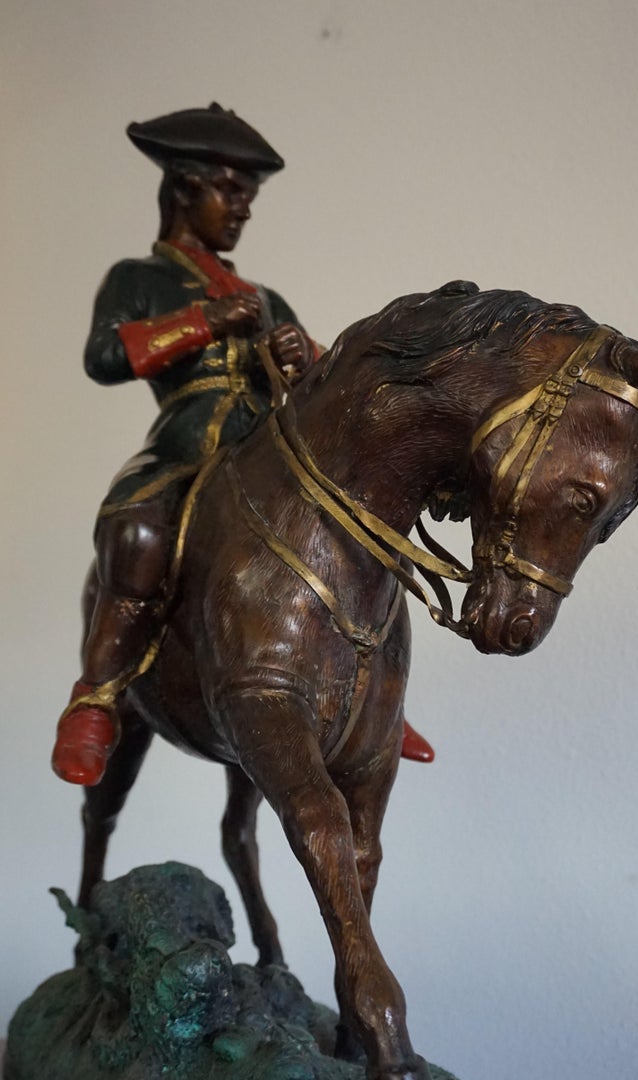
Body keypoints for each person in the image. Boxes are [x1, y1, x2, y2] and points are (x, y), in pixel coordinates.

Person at [52, 104, 433, 788]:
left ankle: (374, 693)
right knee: (138, 529)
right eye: (229, 193)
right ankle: (97, 695)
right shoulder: (138, 280)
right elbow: (104, 355)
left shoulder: (264, 297)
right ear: (182, 188)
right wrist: (200, 321)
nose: (241, 211)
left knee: (359, 533)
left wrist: (302, 355)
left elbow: (324, 383)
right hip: (188, 443)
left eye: (247, 198)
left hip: (272, 447)